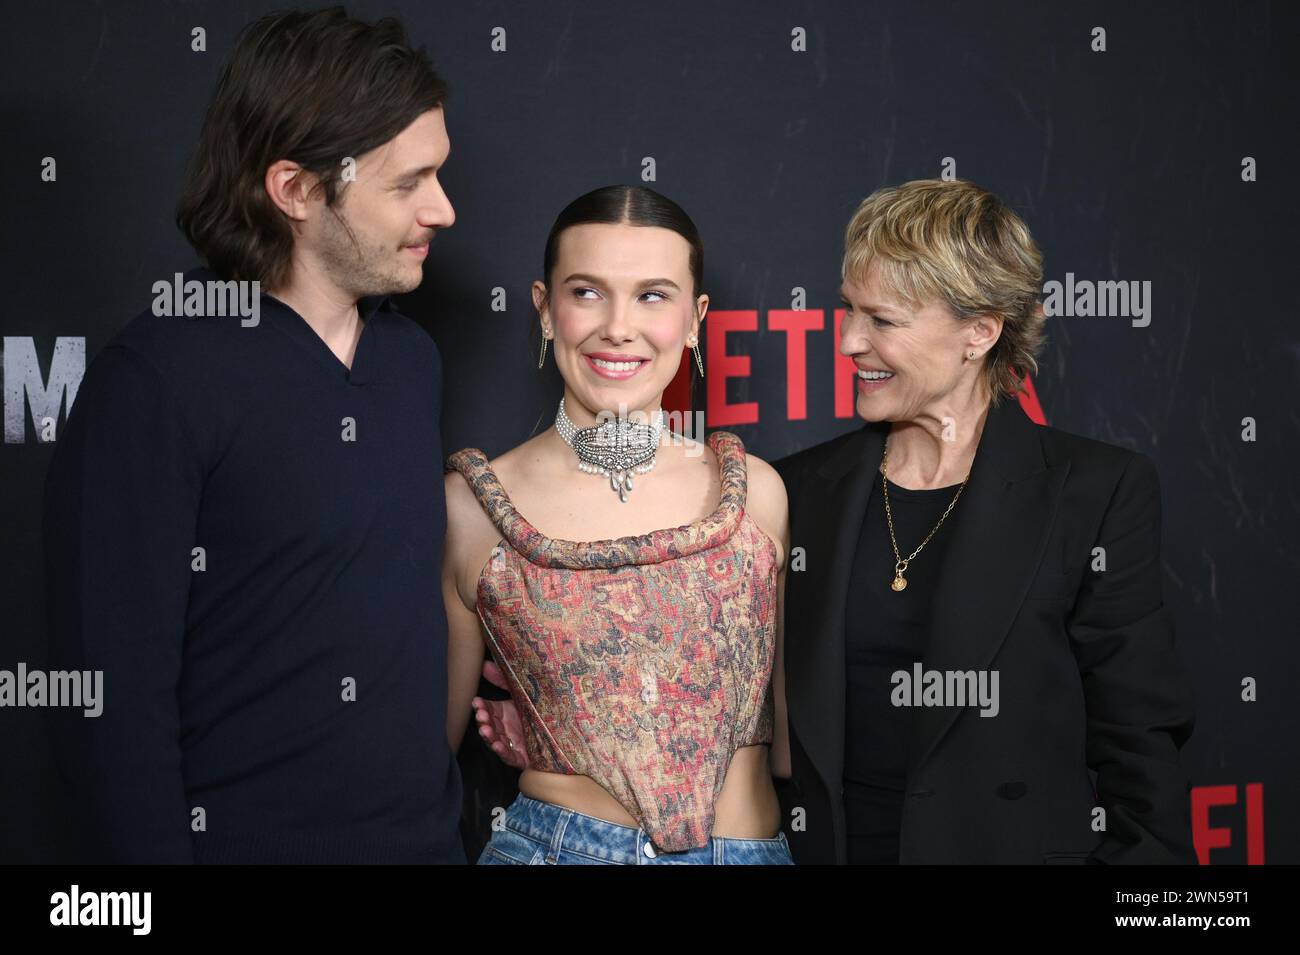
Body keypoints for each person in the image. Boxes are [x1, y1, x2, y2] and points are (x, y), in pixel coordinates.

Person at [42, 8, 463, 863]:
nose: (444, 209)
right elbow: (113, 703)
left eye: (440, 174)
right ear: (296, 190)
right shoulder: (158, 376)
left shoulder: (410, 360)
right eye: (408, 182)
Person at [774, 178, 1197, 864]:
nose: (849, 341)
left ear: (980, 331)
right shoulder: (797, 488)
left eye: (882, 319)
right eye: (846, 310)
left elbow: (1139, 741)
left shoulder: (1095, 492)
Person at [443, 184, 795, 865]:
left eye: (652, 295)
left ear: (695, 320)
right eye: (587, 292)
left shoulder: (758, 494)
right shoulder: (468, 507)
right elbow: (419, 764)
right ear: (545, 310)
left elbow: (790, 741)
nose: (618, 327)